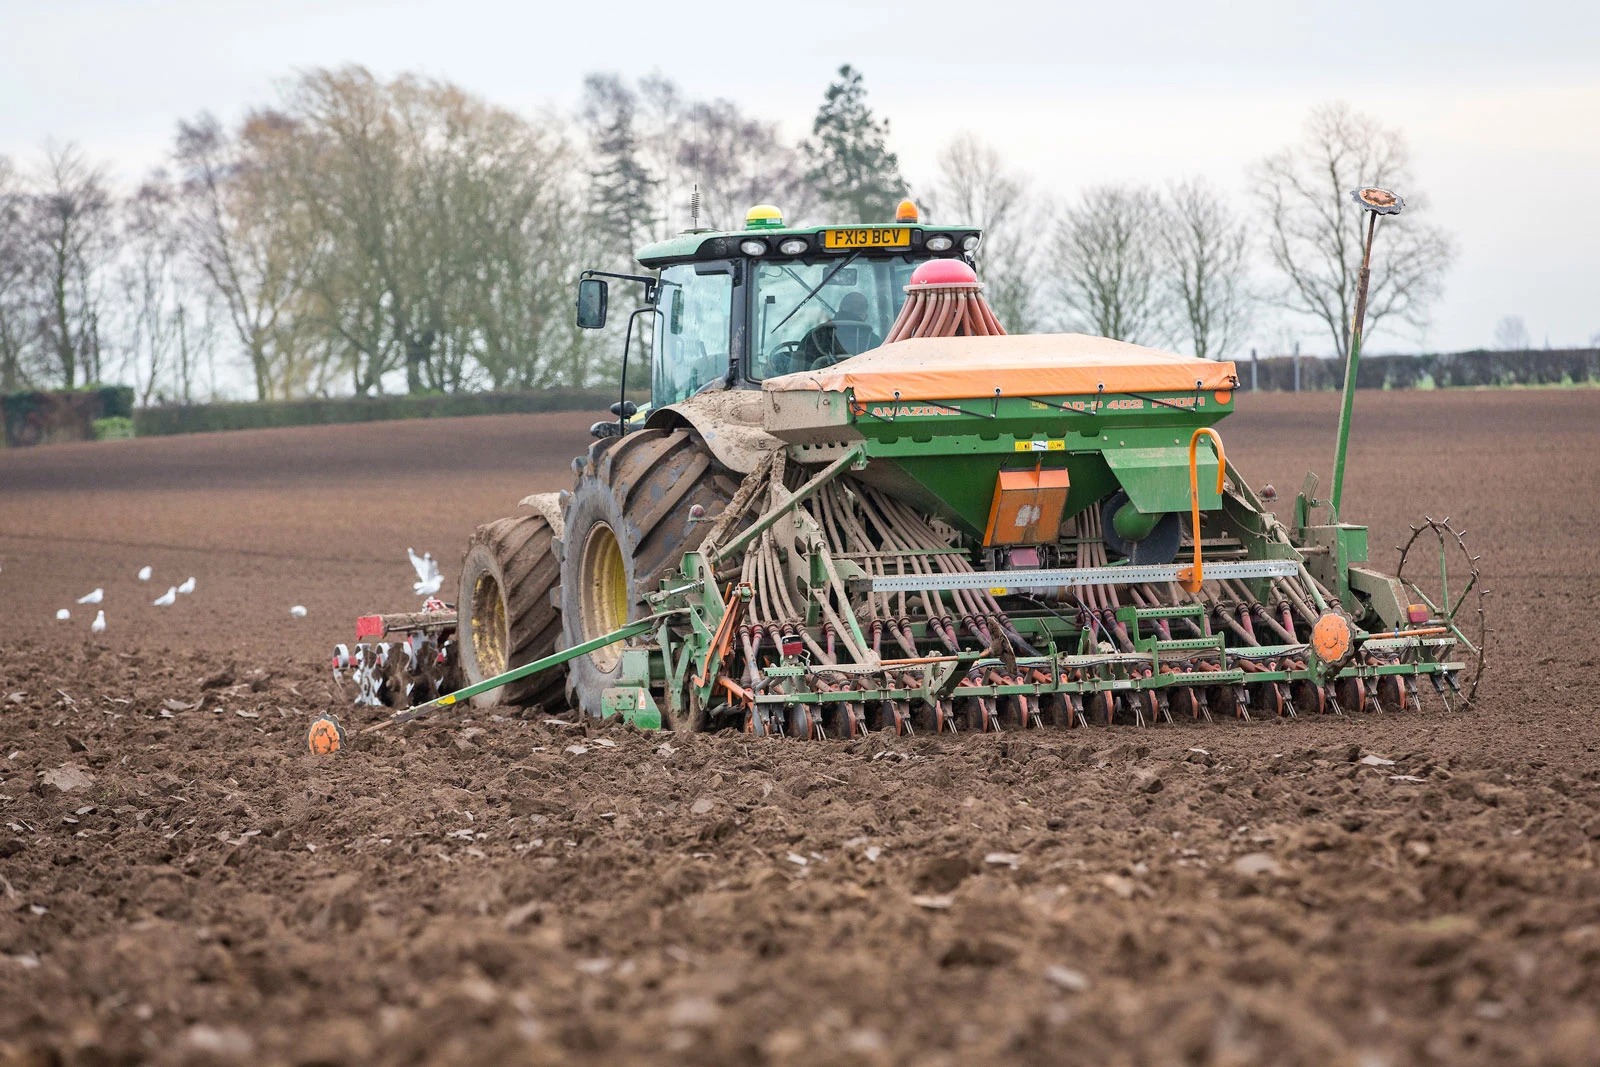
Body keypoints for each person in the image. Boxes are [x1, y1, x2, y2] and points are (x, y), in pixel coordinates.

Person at [798, 291, 880, 369]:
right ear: (865, 317)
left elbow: (796, 368)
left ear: (840, 308)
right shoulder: (876, 343)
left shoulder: (814, 336)